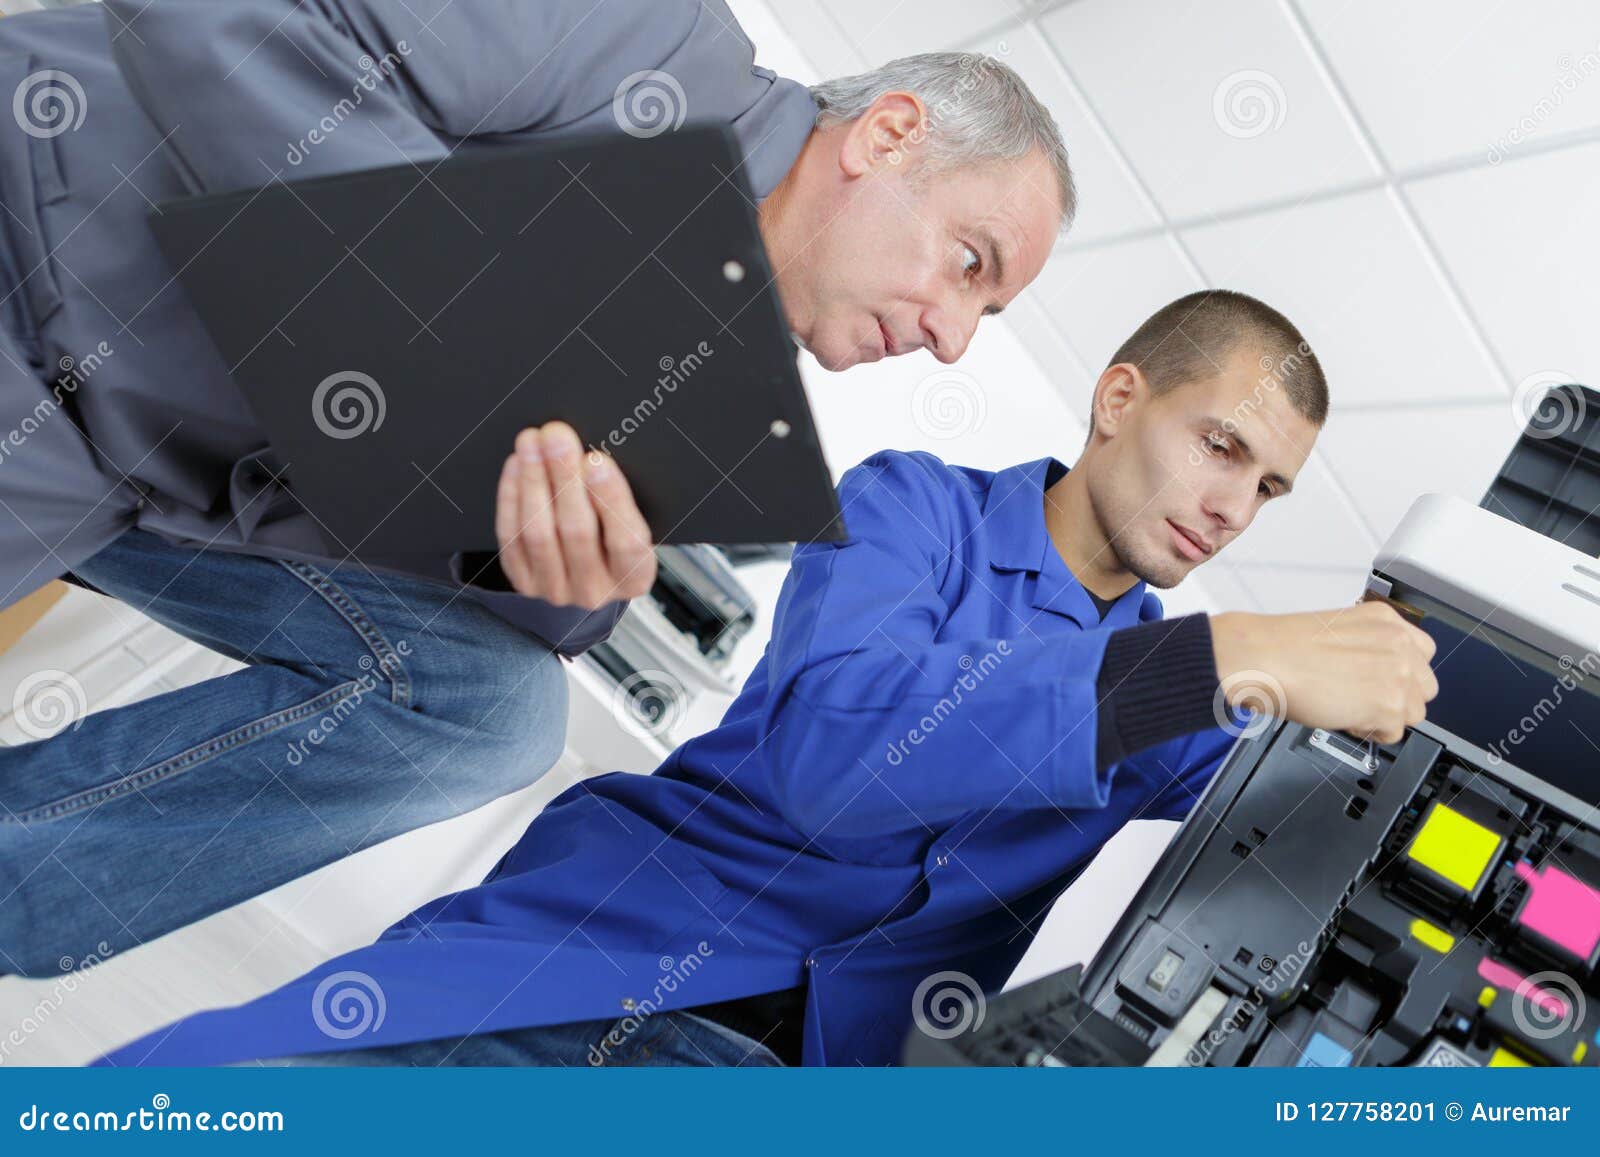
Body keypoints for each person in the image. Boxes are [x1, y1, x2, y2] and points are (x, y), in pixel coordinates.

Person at [0, 3, 1074, 976]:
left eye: (983, 317)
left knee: (492, 709)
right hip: (38, 256)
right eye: (968, 265)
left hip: (130, 470)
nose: (948, 335)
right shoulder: (639, 35)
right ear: (886, 136)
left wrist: (561, 577)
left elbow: (436, 507)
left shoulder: (709, 361)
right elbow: (210, 19)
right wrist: (460, 314)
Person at [100, 290, 1438, 1069]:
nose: (1232, 508)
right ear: (1118, 397)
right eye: (1219, 446)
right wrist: (1222, 657)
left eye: (1265, 488)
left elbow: (1324, 843)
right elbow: (841, 754)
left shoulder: (1197, 711)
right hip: (592, 969)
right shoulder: (913, 510)